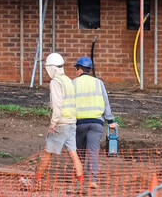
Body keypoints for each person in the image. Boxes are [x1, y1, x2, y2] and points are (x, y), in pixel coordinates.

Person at [34, 52, 83, 182]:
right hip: (72, 122)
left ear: (52, 68)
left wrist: (53, 123)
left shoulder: (55, 82)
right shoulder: (68, 80)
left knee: (48, 151)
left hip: (61, 124)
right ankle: (81, 179)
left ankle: (37, 178)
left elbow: (57, 105)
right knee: (73, 153)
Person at [70, 56, 116, 188]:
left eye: (76, 69)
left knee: (79, 152)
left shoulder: (74, 83)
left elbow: (69, 103)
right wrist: (110, 120)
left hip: (79, 123)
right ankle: (93, 180)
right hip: (96, 123)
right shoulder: (98, 83)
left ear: (79, 69)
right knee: (93, 152)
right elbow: (106, 102)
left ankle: (78, 177)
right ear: (89, 70)